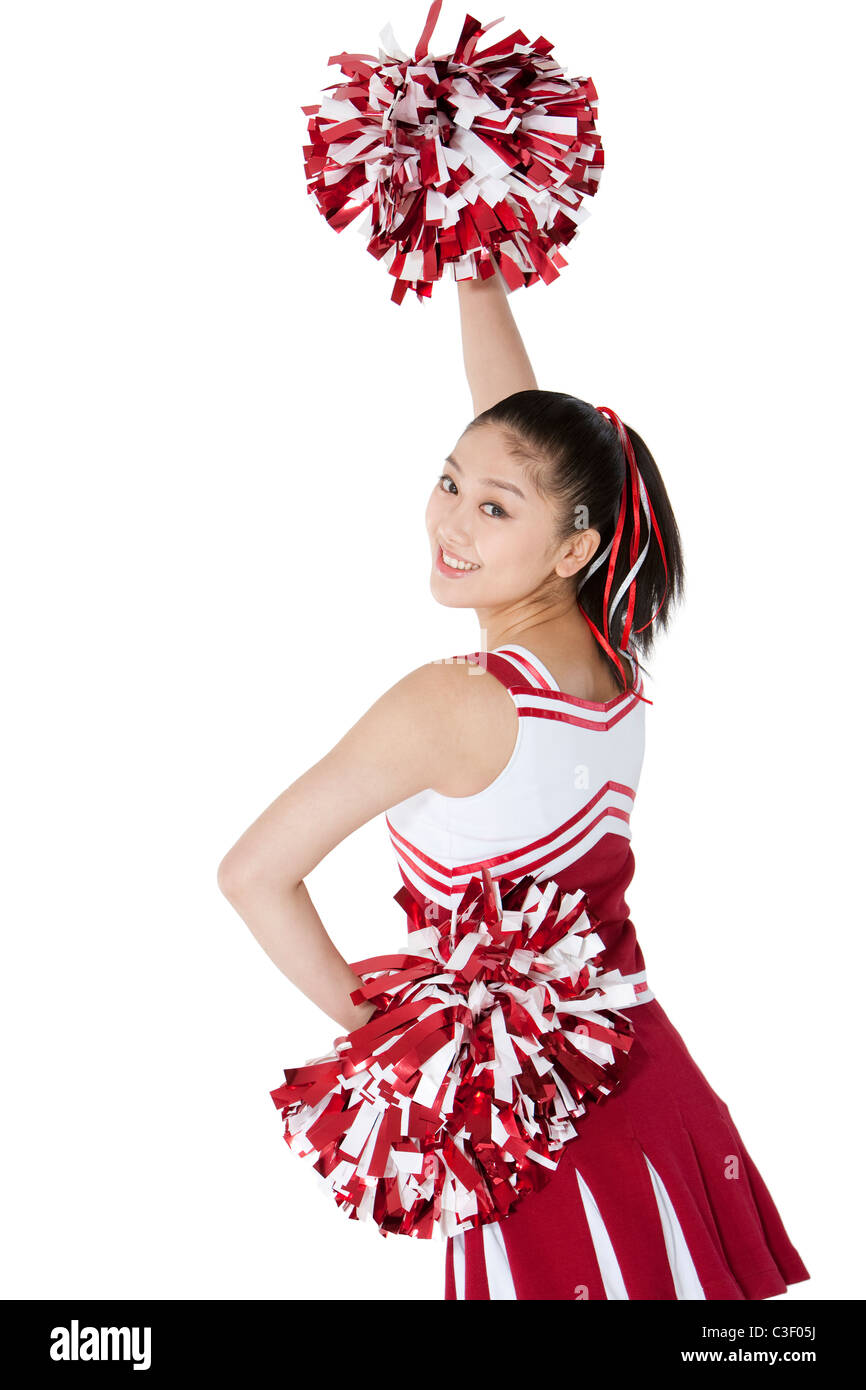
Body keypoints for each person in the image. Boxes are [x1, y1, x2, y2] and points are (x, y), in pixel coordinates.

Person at [217, 270, 811, 1300]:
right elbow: (526, 435)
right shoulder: (607, 648)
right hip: (658, 1097)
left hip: (535, 1136)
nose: (452, 521)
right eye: (447, 480)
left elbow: (252, 873)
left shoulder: (446, 704)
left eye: (492, 508)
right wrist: (472, 260)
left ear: (572, 545)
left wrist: (407, 1048)